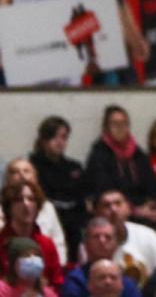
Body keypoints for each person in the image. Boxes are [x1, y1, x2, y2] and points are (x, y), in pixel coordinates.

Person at [27, 119, 86, 263]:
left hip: (74, 223)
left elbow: (81, 198)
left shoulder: (74, 167)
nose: (60, 142)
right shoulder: (33, 166)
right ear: (44, 140)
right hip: (48, 219)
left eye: (64, 137)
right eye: (54, 137)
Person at [86, 108, 156, 208]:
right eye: (115, 124)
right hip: (116, 210)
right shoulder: (99, 155)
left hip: (144, 208)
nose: (120, 128)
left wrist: (154, 205)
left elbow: (152, 185)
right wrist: (135, 209)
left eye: (124, 123)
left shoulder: (138, 154)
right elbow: (104, 191)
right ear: (106, 128)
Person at [90, 190, 156, 285]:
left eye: (118, 203)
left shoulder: (147, 234)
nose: (113, 209)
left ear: (128, 208)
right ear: (97, 212)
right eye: (107, 206)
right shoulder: (92, 241)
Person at [1, 161, 66, 267]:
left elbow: (58, 241)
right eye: (15, 172)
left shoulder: (46, 243)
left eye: (26, 171)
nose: (22, 175)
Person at [59, 218, 141, 297]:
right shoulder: (75, 280)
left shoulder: (127, 283)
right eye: (96, 237)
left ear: (116, 245)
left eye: (108, 237)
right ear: (85, 244)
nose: (102, 241)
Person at [0, 184, 60, 291]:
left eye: (31, 199)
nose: (26, 204)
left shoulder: (47, 244)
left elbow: (56, 282)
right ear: (9, 207)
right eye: (18, 200)